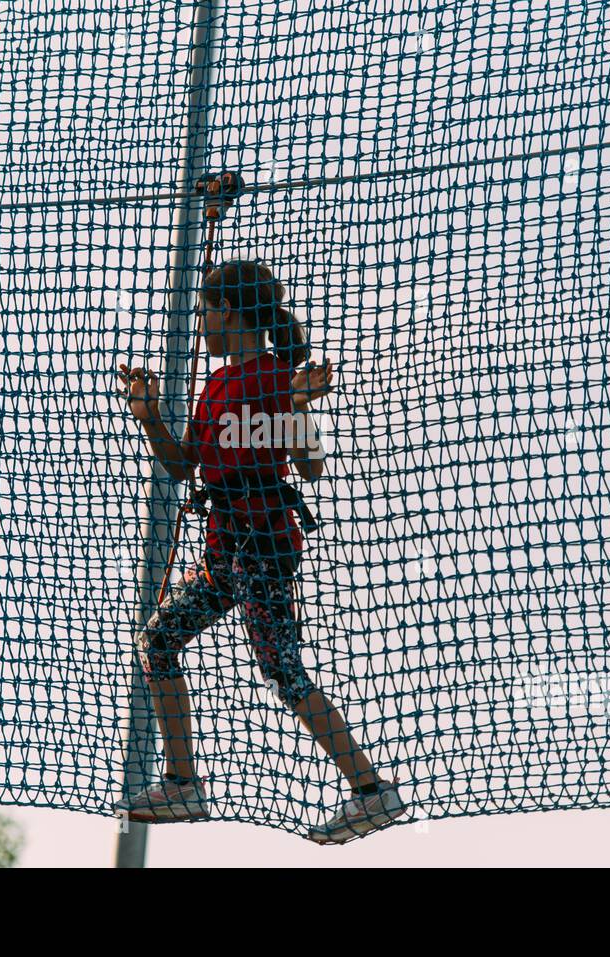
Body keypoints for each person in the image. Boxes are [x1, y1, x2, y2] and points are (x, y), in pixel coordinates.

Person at [115, 259, 406, 843]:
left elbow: (312, 467)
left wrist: (299, 407)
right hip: (225, 549)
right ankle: (183, 785)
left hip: (263, 546)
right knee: (158, 641)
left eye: (204, 313)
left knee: (281, 668)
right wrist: (149, 421)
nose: (200, 325)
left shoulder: (275, 379)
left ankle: (372, 791)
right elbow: (183, 466)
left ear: (227, 312)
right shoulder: (216, 385)